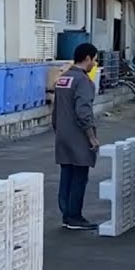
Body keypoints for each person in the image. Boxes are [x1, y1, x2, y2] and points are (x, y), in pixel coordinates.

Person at [52, 43, 100, 230]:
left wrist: (59, 131)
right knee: (79, 176)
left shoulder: (64, 78)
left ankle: (66, 214)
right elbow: (83, 112)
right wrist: (91, 137)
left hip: (62, 135)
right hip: (78, 136)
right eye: (94, 59)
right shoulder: (83, 81)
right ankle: (75, 216)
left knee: (67, 175)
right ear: (87, 58)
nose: (94, 63)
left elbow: (56, 111)